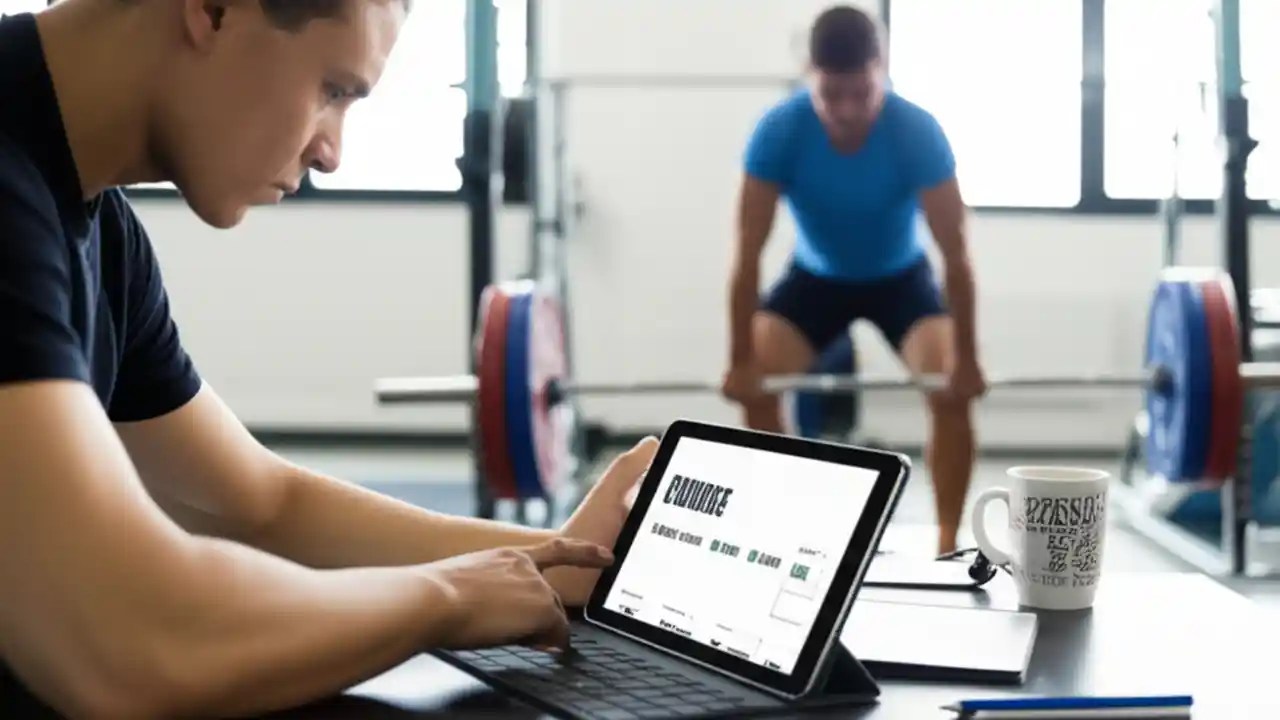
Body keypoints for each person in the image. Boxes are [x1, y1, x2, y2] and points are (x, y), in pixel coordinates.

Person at [0, 1, 660, 717]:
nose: (331, 154)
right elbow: (126, 647)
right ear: (214, 11)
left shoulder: (100, 229)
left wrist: (559, 561)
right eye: (333, 90)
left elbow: (258, 505)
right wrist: (444, 596)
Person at [721, 5, 986, 555]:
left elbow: (957, 257)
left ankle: (945, 544)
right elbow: (746, 257)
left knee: (949, 390)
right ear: (809, 76)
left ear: (882, 69)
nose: (846, 110)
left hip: (900, 279)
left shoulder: (917, 131)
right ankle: (782, 533)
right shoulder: (779, 131)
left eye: (861, 94)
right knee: (761, 383)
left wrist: (969, 357)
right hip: (815, 278)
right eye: (831, 95)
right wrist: (739, 360)